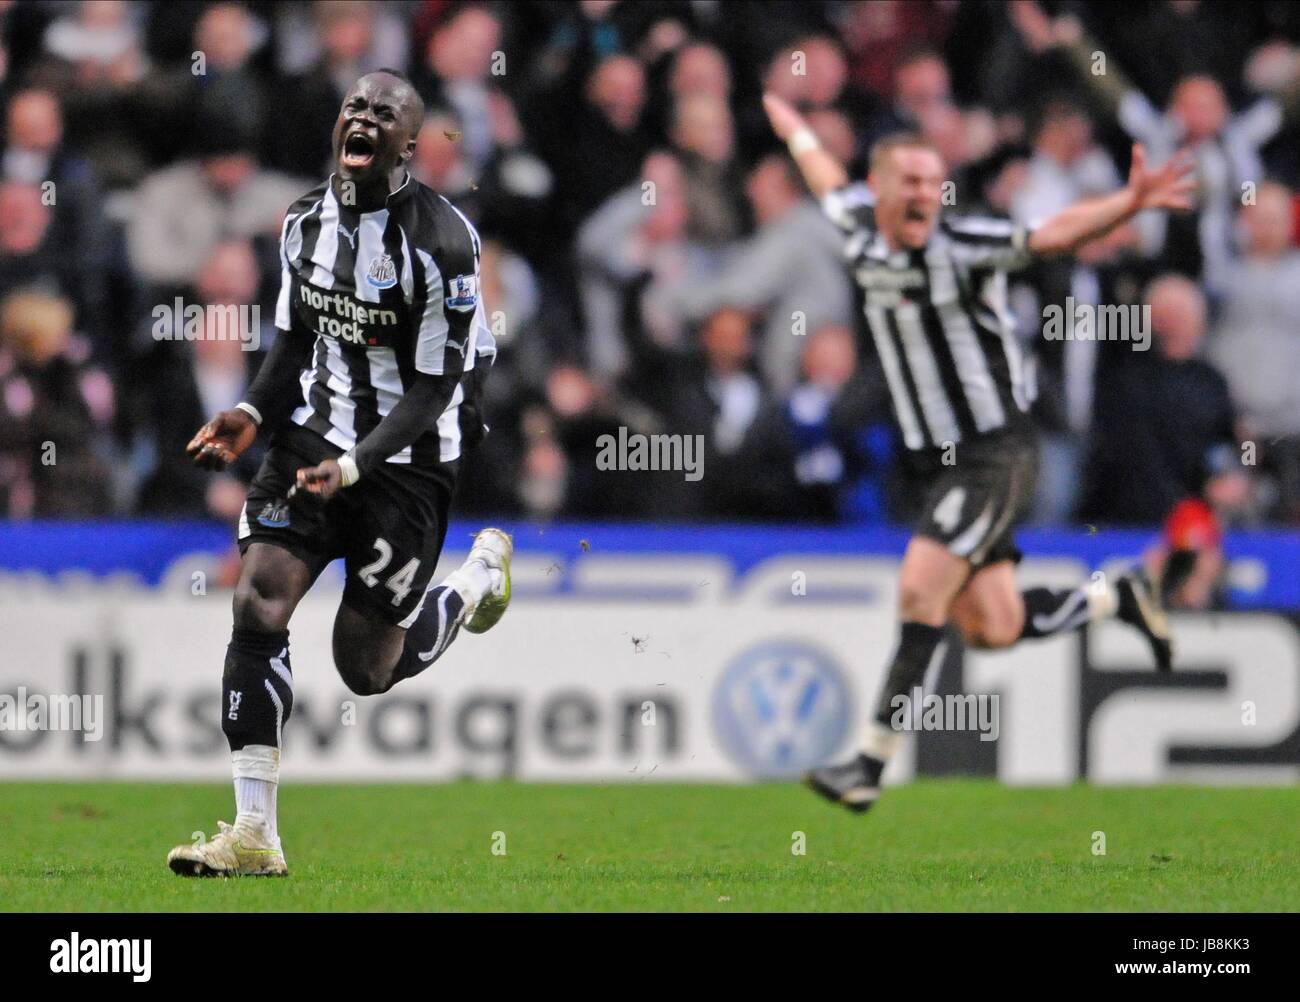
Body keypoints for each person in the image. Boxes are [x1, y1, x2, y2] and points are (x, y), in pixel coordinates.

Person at [761, 91, 1193, 813]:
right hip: (937, 461)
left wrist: (1129, 201)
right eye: (912, 181)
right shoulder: (859, 231)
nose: (928, 193)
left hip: (994, 452)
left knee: (918, 588)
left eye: (935, 182)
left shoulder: (963, 245)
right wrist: (794, 127)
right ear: (883, 188)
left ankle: (867, 766)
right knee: (994, 628)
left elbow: (1052, 234)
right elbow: (825, 179)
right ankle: (1118, 595)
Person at [166, 70, 511, 876]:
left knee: (367, 669)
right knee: (258, 599)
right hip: (313, 435)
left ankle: (471, 583)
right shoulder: (300, 223)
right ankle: (254, 834)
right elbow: (292, 339)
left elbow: (434, 388)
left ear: (408, 144)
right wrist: (251, 414)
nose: (363, 117)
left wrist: (356, 466)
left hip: (409, 463)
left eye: (383, 112)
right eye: (355, 106)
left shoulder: (443, 243)